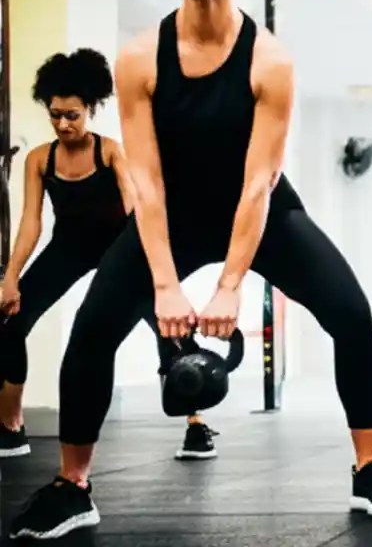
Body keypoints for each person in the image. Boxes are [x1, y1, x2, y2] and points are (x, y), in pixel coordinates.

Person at [5, 0, 372, 541]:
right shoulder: (141, 57)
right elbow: (148, 179)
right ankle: (72, 485)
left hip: (262, 212)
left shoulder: (269, 61)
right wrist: (166, 285)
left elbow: (258, 183)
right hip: (175, 213)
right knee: (92, 331)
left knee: (351, 315)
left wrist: (229, 285)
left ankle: (370, 465)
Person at [0, 50, 218, 463]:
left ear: (92, 109)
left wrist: (160, 278)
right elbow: (32, 223)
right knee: (12, 317)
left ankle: (195, 424)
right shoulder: (39, 160)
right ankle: (11, 425)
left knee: (169, 329)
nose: (64, 124)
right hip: (70, 246)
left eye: (73, 115)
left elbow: (138, 212)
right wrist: (10, 277)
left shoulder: (111, 152)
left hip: (121, 247)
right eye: (56, 114)